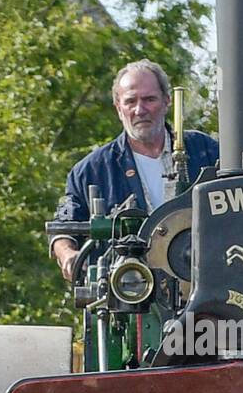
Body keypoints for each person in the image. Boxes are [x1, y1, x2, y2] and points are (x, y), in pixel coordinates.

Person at [50, 59, 219, 280]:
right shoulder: (91, 170)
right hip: (132, 297)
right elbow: (63, 227)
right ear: (118, 108)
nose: (140, 110)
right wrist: (68, 254)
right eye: (131, 101)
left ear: (167, 101)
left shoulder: (206, 151)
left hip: (205, 286)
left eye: (149, 99)